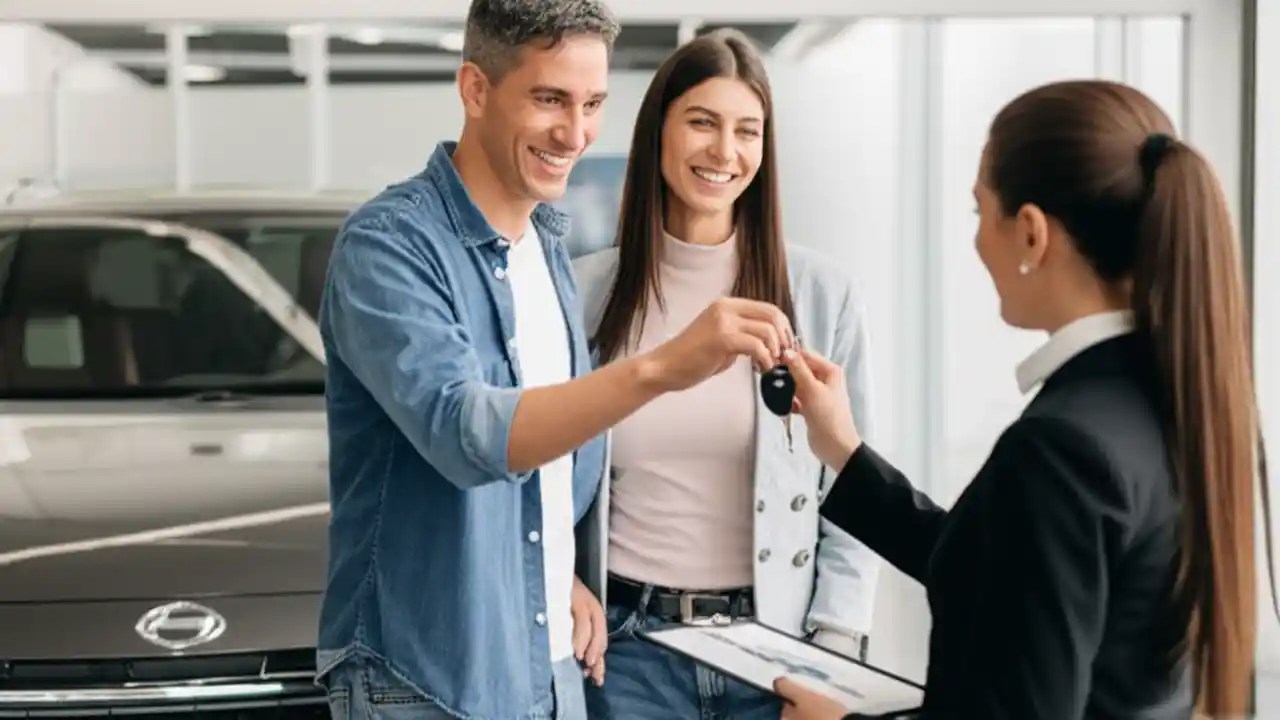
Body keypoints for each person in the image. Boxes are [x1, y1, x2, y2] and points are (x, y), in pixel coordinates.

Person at [313, 2, 798, 719]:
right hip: (422, 682)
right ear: (476, 89)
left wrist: (560, 575)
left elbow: (555, 475)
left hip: (548, 671)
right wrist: (661, 368)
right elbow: (467, 432)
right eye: (549, 100)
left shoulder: (545, 250)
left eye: (593, 103)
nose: (575, 133)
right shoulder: (388, 246)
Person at [771, 79, 1265, 720]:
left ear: (1032, 233)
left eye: (980, 212)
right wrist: (844, 452)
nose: (977, 241)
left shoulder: (1062, 447)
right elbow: (1008, 581)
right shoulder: (1174, 402)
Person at [572, 28, 881, 719]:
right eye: (703, 123)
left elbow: (855, 492)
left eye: (748, 130)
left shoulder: (820, 294)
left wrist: (831, 655)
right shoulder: (585, 293)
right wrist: (560, 581)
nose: (725, 151)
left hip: (776, 653)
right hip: (627, 656)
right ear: (660, 132)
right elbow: (543, 478)